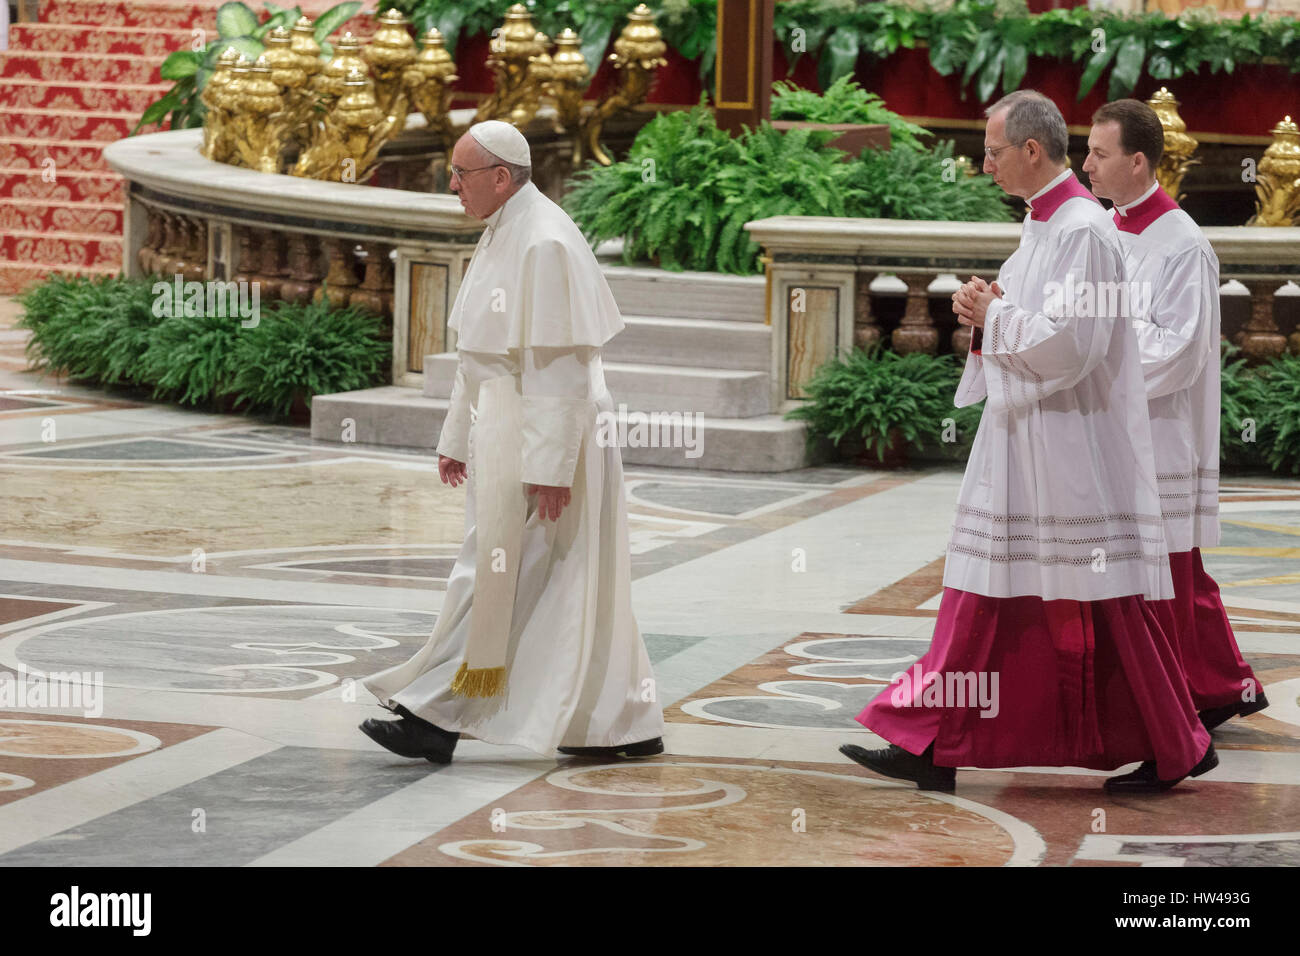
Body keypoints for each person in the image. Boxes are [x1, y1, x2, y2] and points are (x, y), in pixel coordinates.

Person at [841, 90, 1215, 793]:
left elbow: (1073, 346)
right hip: (1031, 439)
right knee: (987, 593)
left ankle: (1175, 744)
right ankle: (933, 739)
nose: (985, 166)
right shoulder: (1046, 225)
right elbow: (1034, 324)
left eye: (992, 151)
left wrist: (997, 314)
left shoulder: (1081, 231)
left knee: (1101, 602)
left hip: (1070, 446)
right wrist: (985, 313)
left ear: (1032, 151)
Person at [359, 120, 664, 762]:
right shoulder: (506, 227)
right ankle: (616, 722)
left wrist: (551, 468)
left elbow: (561, 367)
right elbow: (479, 355)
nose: (452, 186)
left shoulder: (546, 240)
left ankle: (432, 717)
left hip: (547, 433)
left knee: (502, 573)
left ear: (501, 177)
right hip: (508, 423)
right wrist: (456, 438)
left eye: (461, 175)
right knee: (566, 573)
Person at [1082, 98, 1268, 738]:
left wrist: (1096, 360)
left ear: (1138, 162)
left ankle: (1184, 699)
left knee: (1168, 569)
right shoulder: (1104, 229)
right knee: (1165, 569)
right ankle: (1211, 686)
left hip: (1159, 432)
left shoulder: (1182, 243)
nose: (1086, 167)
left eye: (1099, 155)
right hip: (1114, 426)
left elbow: (1179, 349)